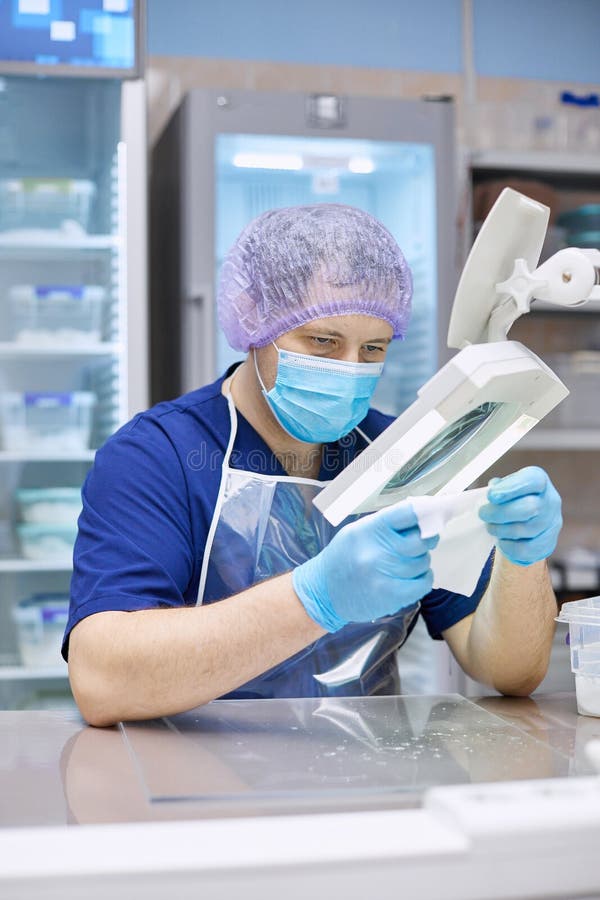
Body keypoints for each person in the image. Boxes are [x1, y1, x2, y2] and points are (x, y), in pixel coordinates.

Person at [65, 204, 562, 727]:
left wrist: (523, 557)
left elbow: (509, 671)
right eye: (322, 342)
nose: (348, 370)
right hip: (198, 777)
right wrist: (315, 597)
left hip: (369, 775)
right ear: (254, 317)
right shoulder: (158, 455)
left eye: (372, 349)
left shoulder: (405, 451)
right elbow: (103, 681)